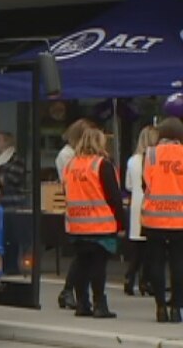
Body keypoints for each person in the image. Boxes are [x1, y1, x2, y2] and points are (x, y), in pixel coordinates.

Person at [62, 127, 124, 318]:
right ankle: (99, 304)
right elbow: (114, 196)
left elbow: (66, 192)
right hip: (100, 223)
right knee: (98, 266)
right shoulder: (102, 164)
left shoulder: (71, 165)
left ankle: (82, 303)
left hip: (77, 223)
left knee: (82, 264)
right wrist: (121, 222)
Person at [141, 116, 183, 323]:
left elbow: (145, 183)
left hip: (154, 217)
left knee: (156, 263)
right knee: (178, 263)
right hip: (180, 219)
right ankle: (176, 307)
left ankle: (160, 308)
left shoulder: (150, 154)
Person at [56, 118, 97, 310]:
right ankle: (69, 290)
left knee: (86, 256)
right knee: (82, 256)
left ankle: (74, 291)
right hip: (79, 211)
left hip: (88, 212)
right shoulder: (67, 156)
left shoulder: (83, 157)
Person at [124, 125, 158, 296]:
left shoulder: (132, 160)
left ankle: (130, 278)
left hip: (135, 203)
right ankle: (146, 281)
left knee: (137, 246)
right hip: (149, 203)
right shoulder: (154, 160)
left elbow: (128, 185)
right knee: (151, 247)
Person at [0, 131, 26, 204]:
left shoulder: (17, 160)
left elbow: (10, 179)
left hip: (12, 200)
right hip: (0, 197)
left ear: (6, 142)